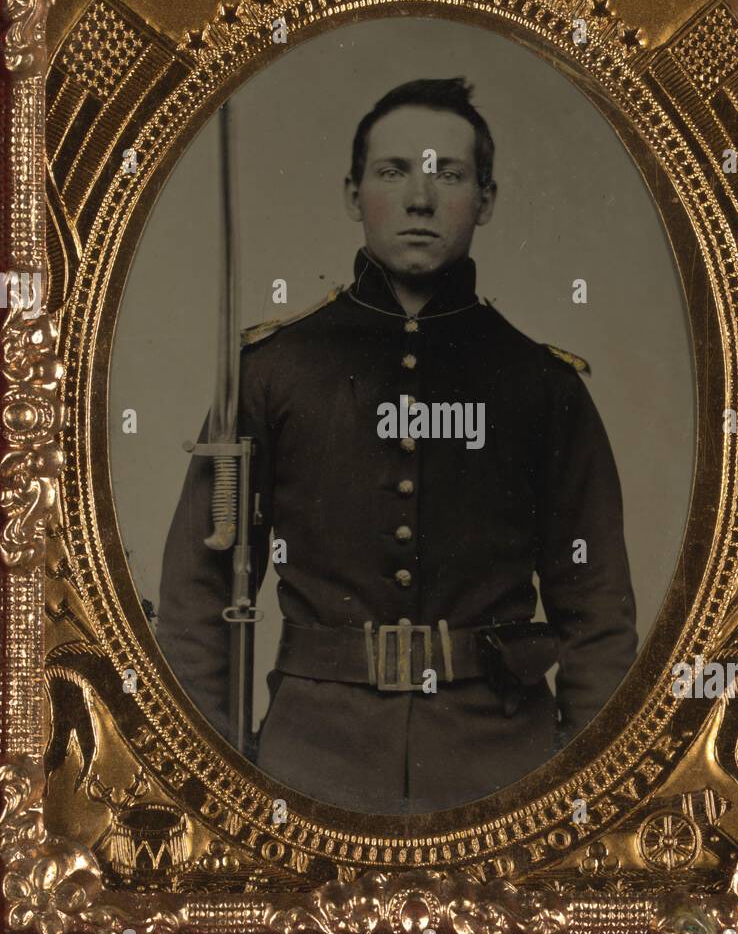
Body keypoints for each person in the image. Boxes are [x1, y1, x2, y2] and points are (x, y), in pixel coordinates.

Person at [157, 77, 637, 812]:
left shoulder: (545, 387)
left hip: (503, 767)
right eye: (394, 171)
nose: (421, 198)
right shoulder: (270, 374)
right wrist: (220, 776)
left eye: (449, 173)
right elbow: (199, 597)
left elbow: (597, 612)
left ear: (487, 198)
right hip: (311, 762)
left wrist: (576, 781)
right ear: (354, 194)